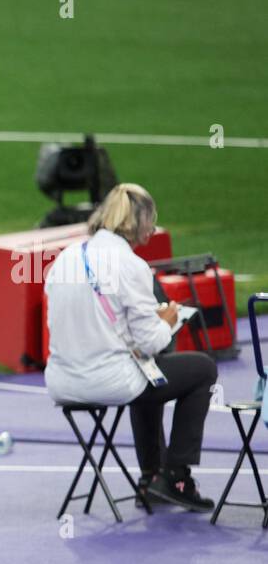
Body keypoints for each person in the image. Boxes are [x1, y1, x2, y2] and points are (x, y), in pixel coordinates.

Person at [44, 184, 218, 510]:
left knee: (146, 370)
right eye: (151, 222)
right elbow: (150, 341)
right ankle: (175, 475)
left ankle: (152, 476)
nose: (152, 230)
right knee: (201, 368)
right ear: (138, 223)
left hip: (62, 380)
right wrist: (166, 320)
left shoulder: (64, 260)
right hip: (109, 380)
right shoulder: (131, 265)